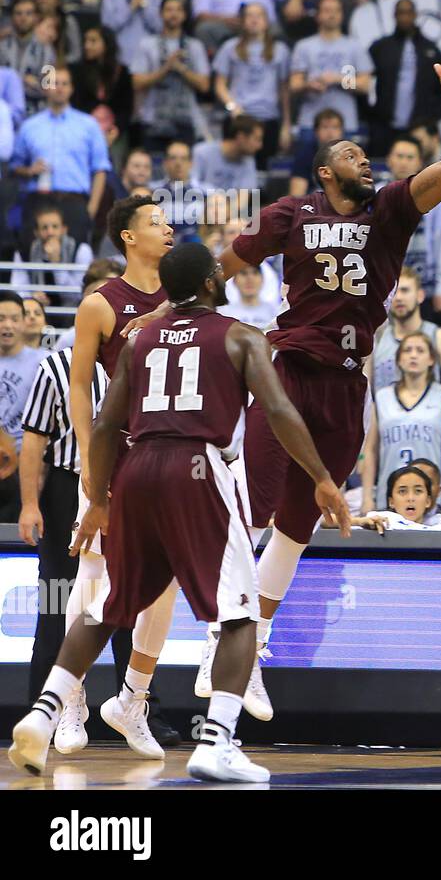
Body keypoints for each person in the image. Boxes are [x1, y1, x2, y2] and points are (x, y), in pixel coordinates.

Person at [117, 44, 441, 719]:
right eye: (353, 156)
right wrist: (172, 308)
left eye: (366, 157)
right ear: (324, 171)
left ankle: (248, 651)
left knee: (295, 529)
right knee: (247, 513)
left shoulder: (392, 209)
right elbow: (224, 262)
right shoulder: (292, 212)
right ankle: (222, 641)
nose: (365, 162)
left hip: (348, 388)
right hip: (287, 374)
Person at [7, 242, 350, 782]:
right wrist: (323, 479)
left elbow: (102, 425)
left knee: (112, 604)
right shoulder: (240, 335)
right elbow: (280, 410)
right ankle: (217, 741)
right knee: (239, 617)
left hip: (137, 468)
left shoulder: (139, 338)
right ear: (214, 282)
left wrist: (96, 502)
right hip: (198, 467)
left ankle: (43, 711)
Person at [64, 193, 183, 758]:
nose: (169, 228)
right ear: (129, 237)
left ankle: (134, 699)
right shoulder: (101, 304)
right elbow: (79, 389)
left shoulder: (187, 294)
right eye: (156, 222)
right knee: (90, 578)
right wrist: (93, 468)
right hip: (118, 453)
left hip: (171, 456)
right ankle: (70, 702)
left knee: (164, 582)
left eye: (168, 221)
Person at [18, 326, 110, 712]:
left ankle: (140, 707)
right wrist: (29, 504)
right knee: (56, 598)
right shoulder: (55, 366)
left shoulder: (142, 360)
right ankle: (44, 707)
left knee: (127, 599)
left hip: (124, 484)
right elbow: (34, 440)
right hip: (65, 485)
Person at [361, 331, 441, 517]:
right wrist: (367, 496)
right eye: (407, 350)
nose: (413, 355)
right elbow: (370, 451)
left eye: (420, 350)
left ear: (431, 359)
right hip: (388, 495)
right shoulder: (382, 397)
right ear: (399, 360)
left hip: (430, 497)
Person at [9, 66, 111, 250]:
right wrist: (29, 170)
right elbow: (14, 165)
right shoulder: (29, 126)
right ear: (46, 87)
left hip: (75, 202)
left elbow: (100, 169)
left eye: (64, 83)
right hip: (38, 201)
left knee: (76, 261)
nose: (60, 88)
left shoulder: (88, 125)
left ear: (72, 88)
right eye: (55, 83)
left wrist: (91, 210)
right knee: (33, 257)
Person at [379, 140, 441, 320]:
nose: (404, 162)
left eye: (410, 157)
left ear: (420, 162)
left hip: (422, 283)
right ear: (389, 160)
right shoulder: (375, 192)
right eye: (399, 156)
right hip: (382, 281)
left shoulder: (434, 194)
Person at [213, 3, 292, 165]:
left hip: (268, 119)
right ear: (242, 21)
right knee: (232, 166)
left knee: (262, 173)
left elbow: (284, 90)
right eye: (249, 15)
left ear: (267, 21)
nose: (254, 20)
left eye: (259, 15)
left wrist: (286, 125)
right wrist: (232, 106)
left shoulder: (280, 50)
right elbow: (219, 85)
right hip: (239, 118)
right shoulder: (230, 47)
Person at [368, 0, 441, 160]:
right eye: (401, 13)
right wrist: (368, 112)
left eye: (409, 13)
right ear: (394, 16)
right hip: (383, 125)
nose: (405, 17)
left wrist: (431, 118)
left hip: (419, 128)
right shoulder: (380, 47)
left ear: (415, 15)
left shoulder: (431, 50)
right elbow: (359, 76)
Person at [130, 0, 211, 153]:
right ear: (161, 14)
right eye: (169, 10)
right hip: (153, 120)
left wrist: (181, 69)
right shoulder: (146, 44)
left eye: (178, 10)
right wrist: (165, 68)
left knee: (179, 173)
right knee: (155, 169)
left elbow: (204, 85)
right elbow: (137, 83)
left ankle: (177, 181)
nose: (173, 14)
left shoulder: (195, 46)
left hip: (185, 120)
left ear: (184, 15)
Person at [290, 0, 373, 138]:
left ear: (342, 15)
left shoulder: (354, 46)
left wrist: (338, 79)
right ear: (318, 15)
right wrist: (309, 85)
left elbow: (366, 85)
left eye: (336, 11)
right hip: (310, 122)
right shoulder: (304, 46)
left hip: (345, 123)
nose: (332, 15)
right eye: (327, 10)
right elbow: (294, 84)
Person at [368, 265, 441, 394]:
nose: (398, 298)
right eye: (394, 293)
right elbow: (366, 394)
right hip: (384, 412)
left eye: (405, 290)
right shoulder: (376, 338)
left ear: (420, 295)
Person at [0, 288, 44, 521]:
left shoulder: (42, 363)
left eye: (15, 319)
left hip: (22, 467)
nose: (8, 325)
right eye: (1, 319)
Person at [353, 464, 441, 534]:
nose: (410, 498)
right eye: (402, 491)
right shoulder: (381, 519)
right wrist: (359, 521)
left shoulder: (437, 523)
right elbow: (333, 521)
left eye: (418, 491)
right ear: (391, 501)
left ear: (428, 501)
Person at [11, 203, 94, 308]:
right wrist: (32, 298)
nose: (50, 232)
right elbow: (17, 288)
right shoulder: (24, 252)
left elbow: (78, 293)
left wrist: (57, 264)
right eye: (44, 228)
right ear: (36, 232)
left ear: (64, 229)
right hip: (36, 310)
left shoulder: (81, 250)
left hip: (73, 311)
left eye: (55, 227)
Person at [70, 26, 134, 140]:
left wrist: (116, 129)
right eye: (86, 41)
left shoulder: (122, 72)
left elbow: (126, 108)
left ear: (107, 44)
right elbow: (75, 104)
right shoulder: (77, 71)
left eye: (93, 41)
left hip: (114, 134)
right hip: (83, 132)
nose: (87, 46)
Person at [0, 0, 55, 116]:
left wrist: (35, 85)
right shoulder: (2, 46)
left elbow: (49, 86)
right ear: (12, 17)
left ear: (36, 17)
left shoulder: (47, 50)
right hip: (4, 113)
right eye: (18, 13)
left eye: (28, 13)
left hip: (35, 113)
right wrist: (24, 81)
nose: (23, 18)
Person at [190, 114, 262, 195]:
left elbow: (243, 199)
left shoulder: (249, 161)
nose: (260, 146)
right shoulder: (201, 152)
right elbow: (191, 184)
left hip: (229, 206)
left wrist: (225, 207)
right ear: (241, 137)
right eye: (257, 139)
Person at [288, 108, 344, 198]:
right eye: (325, 127)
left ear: (342, 131)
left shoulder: (351, 155)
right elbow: (296, 196)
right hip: (313, 205)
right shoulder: (305, 155)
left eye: (335, 127)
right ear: (316, 131)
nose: (330, 132)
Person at [151, 140, 205, 232]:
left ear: (191, 163)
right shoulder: (152, 192)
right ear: (165, 163)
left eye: (183, 158)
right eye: (173, 158)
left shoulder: (206, 192)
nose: (178, 163)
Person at [34, 0, 81, 64]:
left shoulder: (67, 21)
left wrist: (57, 62)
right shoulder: (31, 21)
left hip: (57, 69)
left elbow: (76, 54)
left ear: (57, 0)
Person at [219, 265, 279, 330]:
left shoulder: (275, 313)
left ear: (263, 280)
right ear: (234, 280)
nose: (250, 279)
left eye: (255, 273)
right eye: (244, 273)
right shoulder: (224, 313)